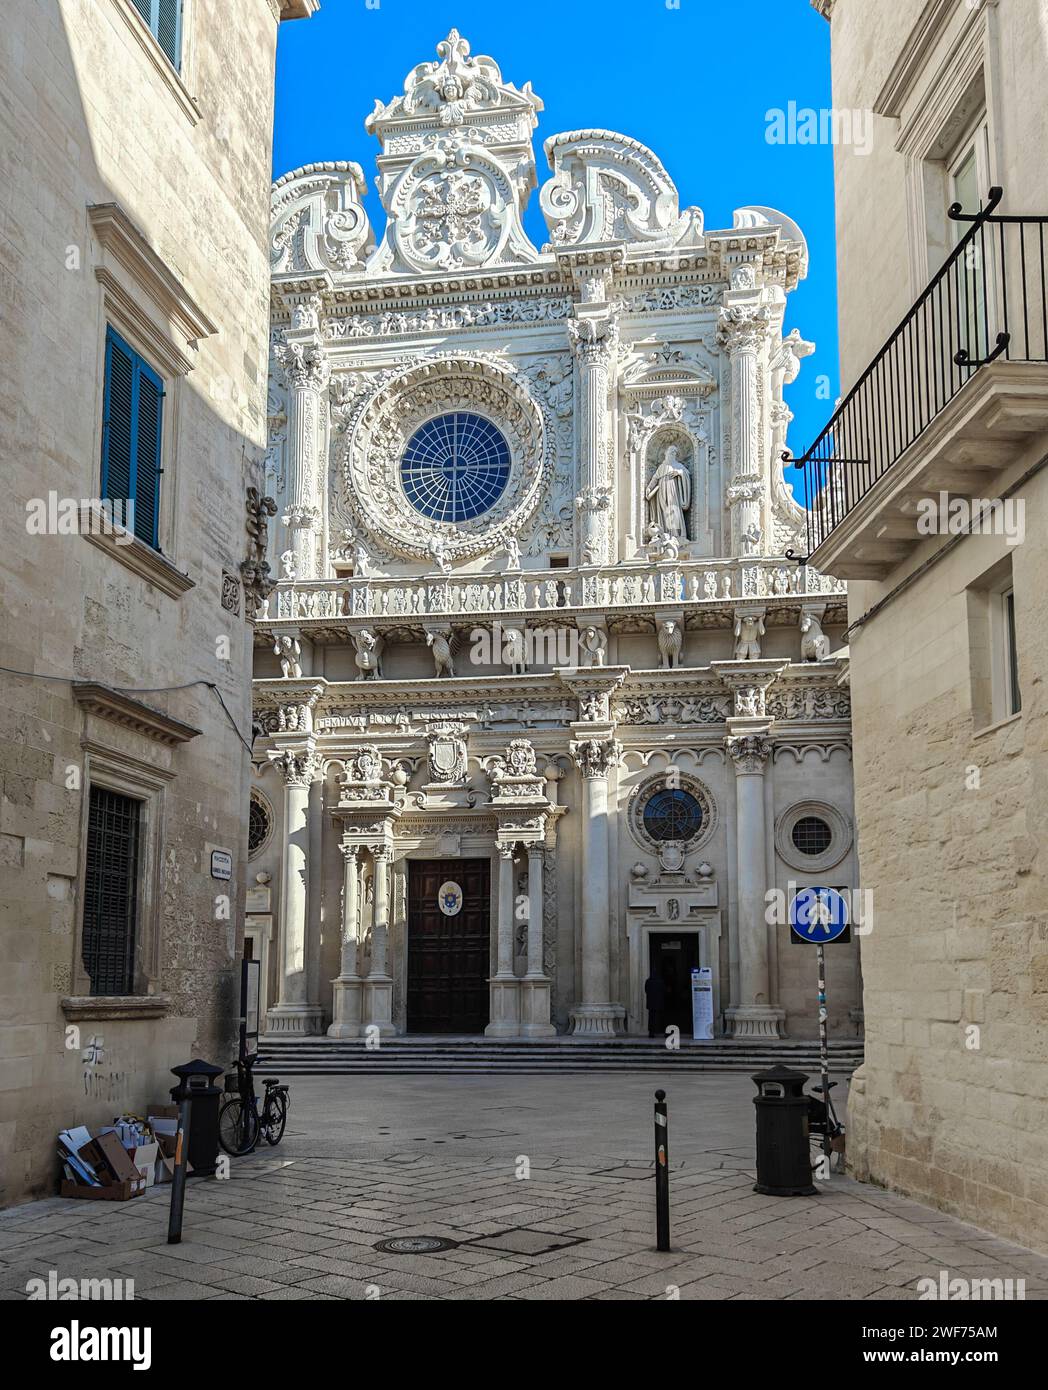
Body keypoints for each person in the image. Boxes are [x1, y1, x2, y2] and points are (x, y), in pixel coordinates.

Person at [645, 970, 667, 1039]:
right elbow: (664, 990)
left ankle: (651, 1033)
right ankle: (664, 1032)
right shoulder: (661, 981)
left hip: (651, 1003)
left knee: (651, 1018)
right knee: (661, 1017)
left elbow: (646, 990)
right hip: (659, 1003)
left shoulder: (648, 981)